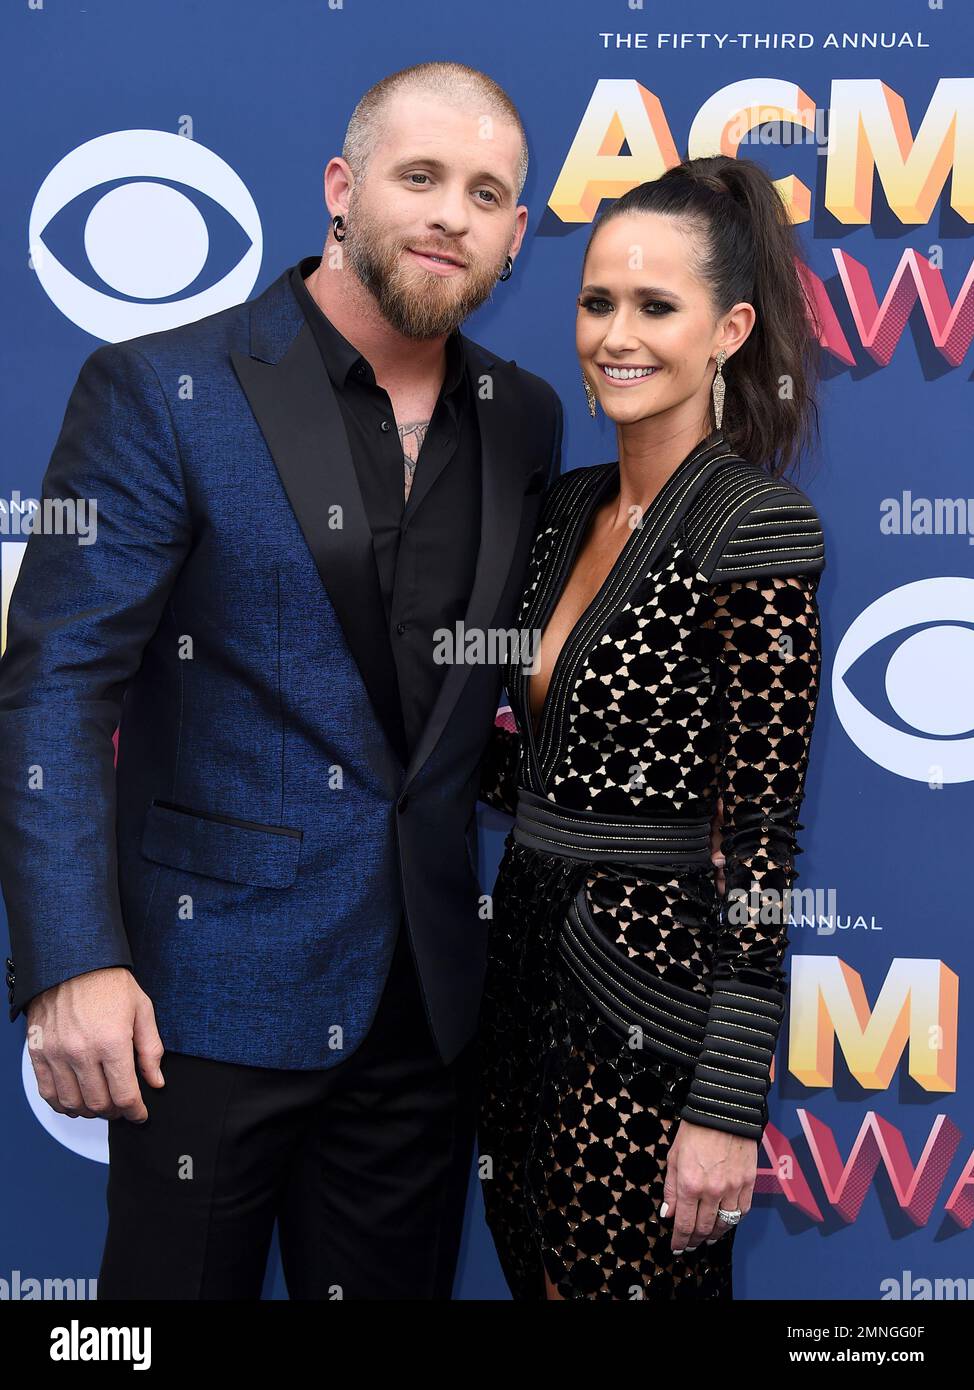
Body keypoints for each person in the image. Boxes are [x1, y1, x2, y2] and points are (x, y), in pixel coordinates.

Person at [0, 61, 563, 1299]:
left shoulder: (521, 417)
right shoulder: (165, 387)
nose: (448, 214)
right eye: (419, 177)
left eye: (485, 193)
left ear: (516, 236)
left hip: (422, 1017)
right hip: (201, 1002)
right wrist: (67, 958)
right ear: (340, 188)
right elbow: (53, 686)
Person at [477, 154, 827, 1301]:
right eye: (595, 301)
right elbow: (535, 764)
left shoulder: (754, 528)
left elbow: (762, 841)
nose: (614, 335)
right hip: (522, 985)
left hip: (647, 1013)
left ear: (727, 330)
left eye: (654, 306)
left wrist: (725, 1102)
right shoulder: (567, 506)